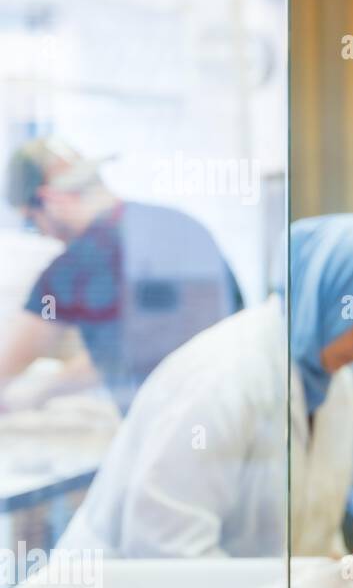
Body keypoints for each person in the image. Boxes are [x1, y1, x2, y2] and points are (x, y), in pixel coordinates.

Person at [55, 213, 353, 558]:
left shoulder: (334, 385)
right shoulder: (225, 377)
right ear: (324, 300)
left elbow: (316, 530)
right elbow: (167, 549)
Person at [0, 138, 240, 414]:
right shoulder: (181, 225)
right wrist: (41, 392)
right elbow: (138, 345)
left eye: (32, 220)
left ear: (49, 200)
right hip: (238, 417)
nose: (42, 234)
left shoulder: (77, 266)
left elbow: (6, 364)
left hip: (169, 428)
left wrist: (30, 395)